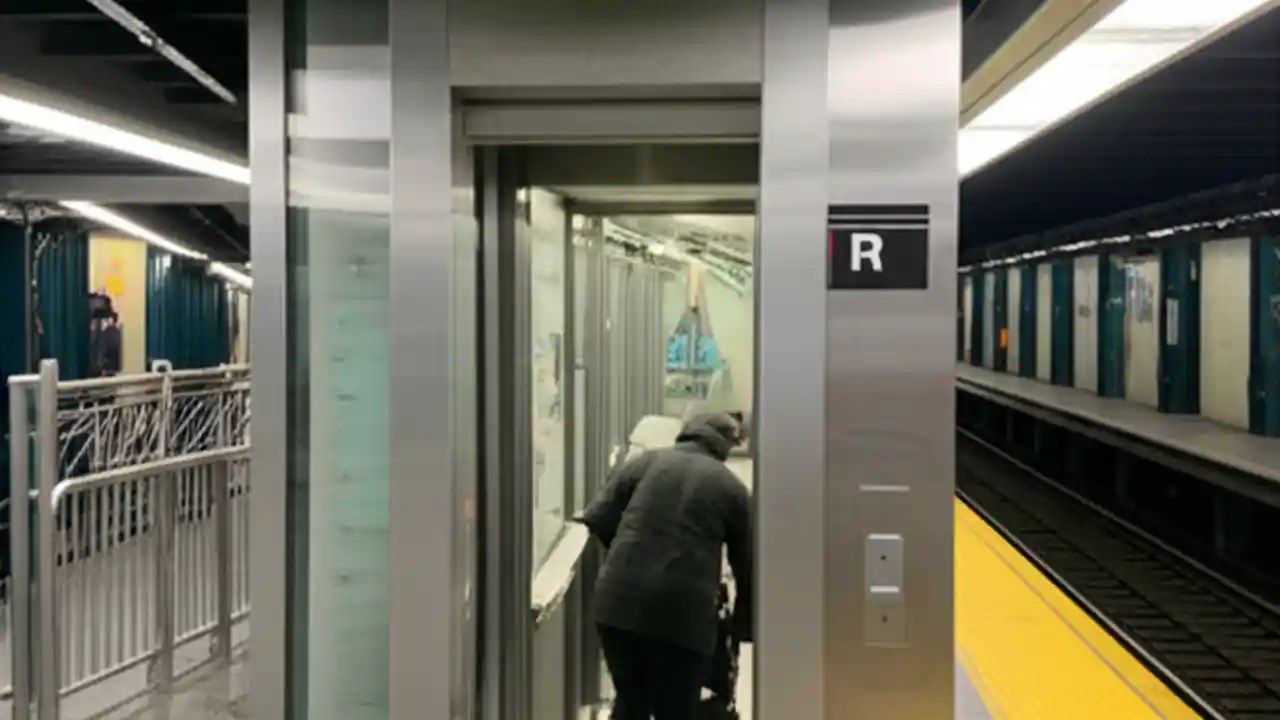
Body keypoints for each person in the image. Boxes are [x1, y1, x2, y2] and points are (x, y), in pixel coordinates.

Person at [579, 413, 752, 720]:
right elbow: (748, 567)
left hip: (617, 604)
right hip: (682, 615)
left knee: (630, 700)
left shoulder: (645, 463)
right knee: (676, 707)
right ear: (726, 445)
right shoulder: (732, 489)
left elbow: (599, 518)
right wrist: (742, 626)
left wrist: (631, 558)